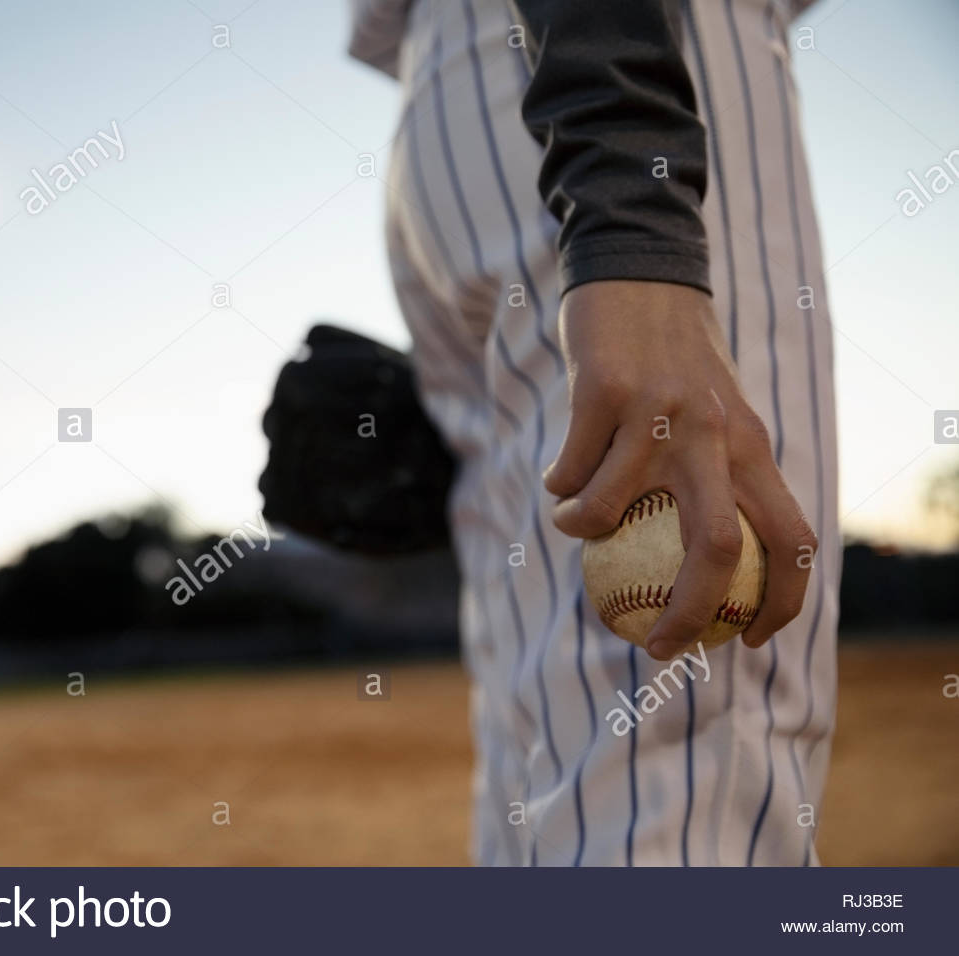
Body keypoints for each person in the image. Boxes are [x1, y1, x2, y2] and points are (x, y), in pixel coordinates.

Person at [349, 0, 838, 865]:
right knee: (683, 775)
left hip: (452, 106)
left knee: (542, 768)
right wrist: (633, 224)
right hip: (637, 61)